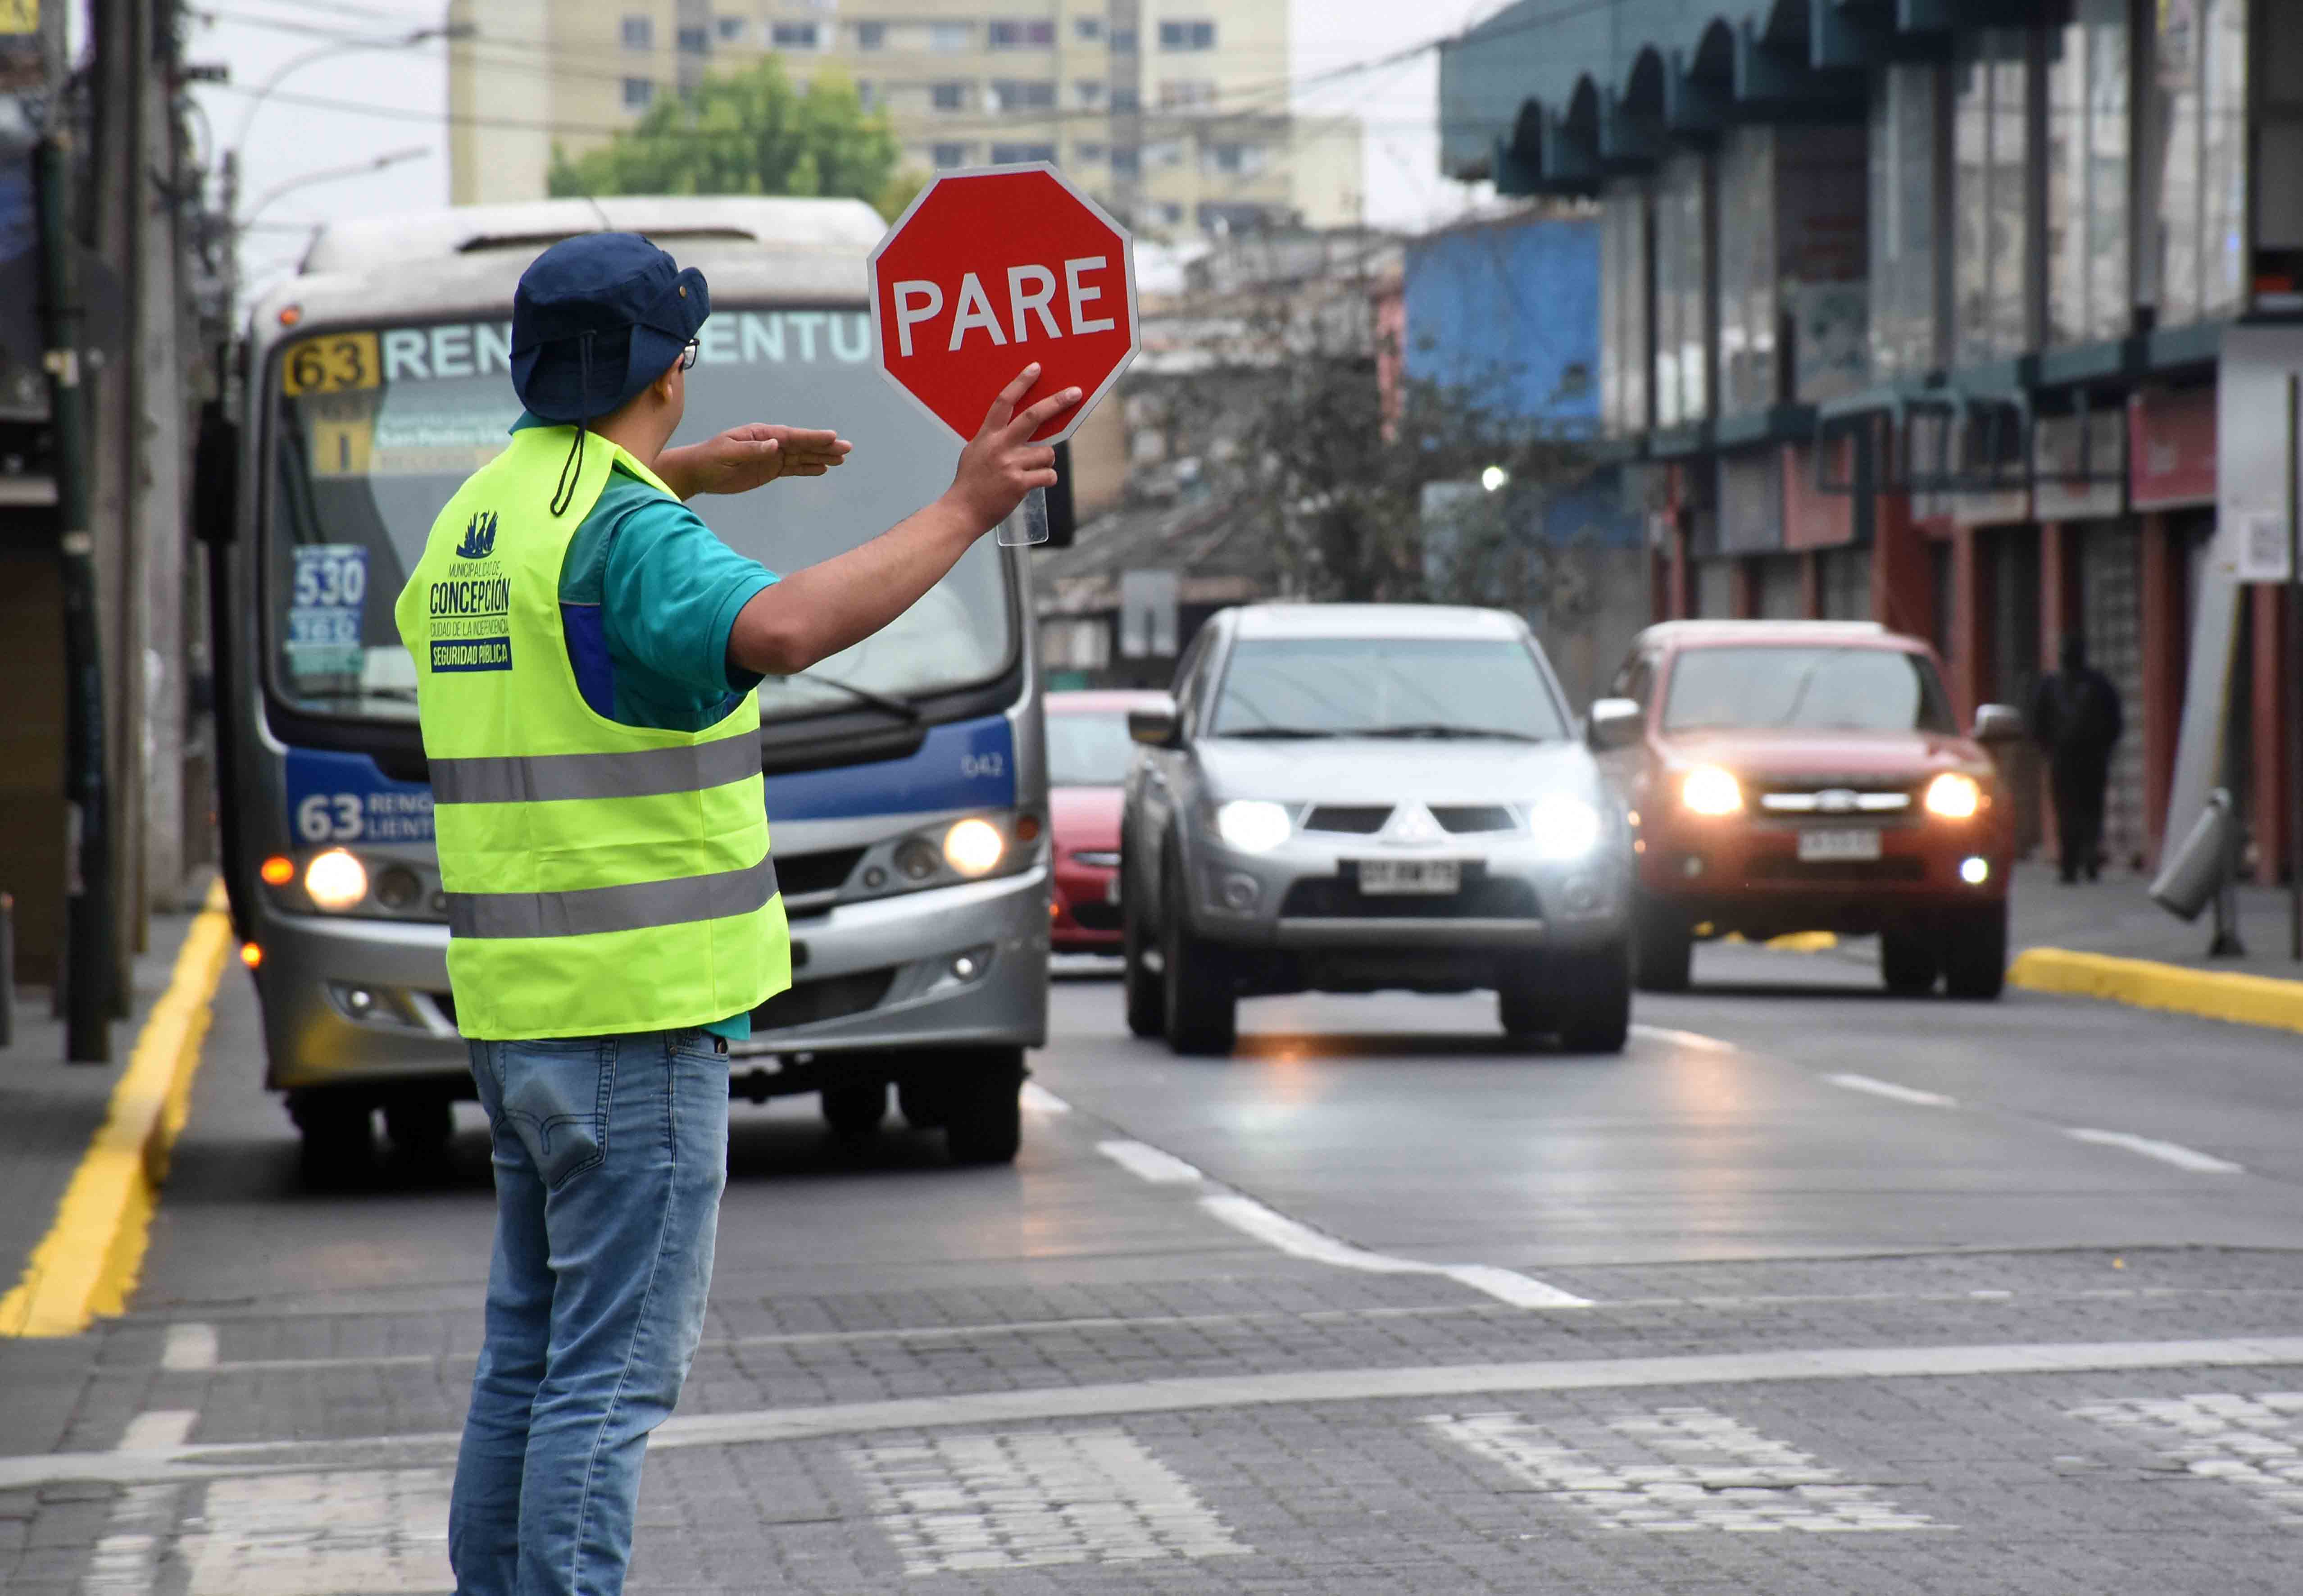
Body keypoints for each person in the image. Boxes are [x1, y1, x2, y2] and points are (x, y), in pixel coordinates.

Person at [391, 232, 1079, 1596]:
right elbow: (774, 630)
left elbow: (573, 584)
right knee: (608, 1379)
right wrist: (962, 509)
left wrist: (696, 474)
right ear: (668, 367)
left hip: (521, 1011)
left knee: (527, 1358)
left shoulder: (485, 511)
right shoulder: (632, 532)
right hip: (638, 1018)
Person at [2029, 632, 2124, 883]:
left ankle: (2076, 862)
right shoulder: (2095, 683)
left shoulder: (2056, 685)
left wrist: (2049, 750)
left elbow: (2037, 724)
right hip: (2083, 758)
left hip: (2072, 759)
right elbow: (2115, 722)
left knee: (2071, 811)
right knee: (2086, 810)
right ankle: (2081, 860)